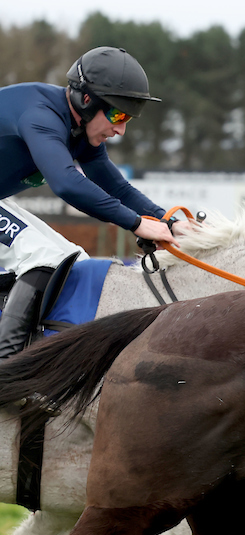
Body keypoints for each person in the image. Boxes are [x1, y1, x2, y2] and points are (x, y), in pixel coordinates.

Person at [0, 46, 189, 359]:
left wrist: (166, 221)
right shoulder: (41, 116)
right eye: (116, 115)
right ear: (85, 99)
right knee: (43, 255)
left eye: (128, 118)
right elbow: (67, 183)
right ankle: (6, 374)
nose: (120, 129)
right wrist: (138, 224)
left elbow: (117, 187)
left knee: (73, 260)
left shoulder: (80, 130)